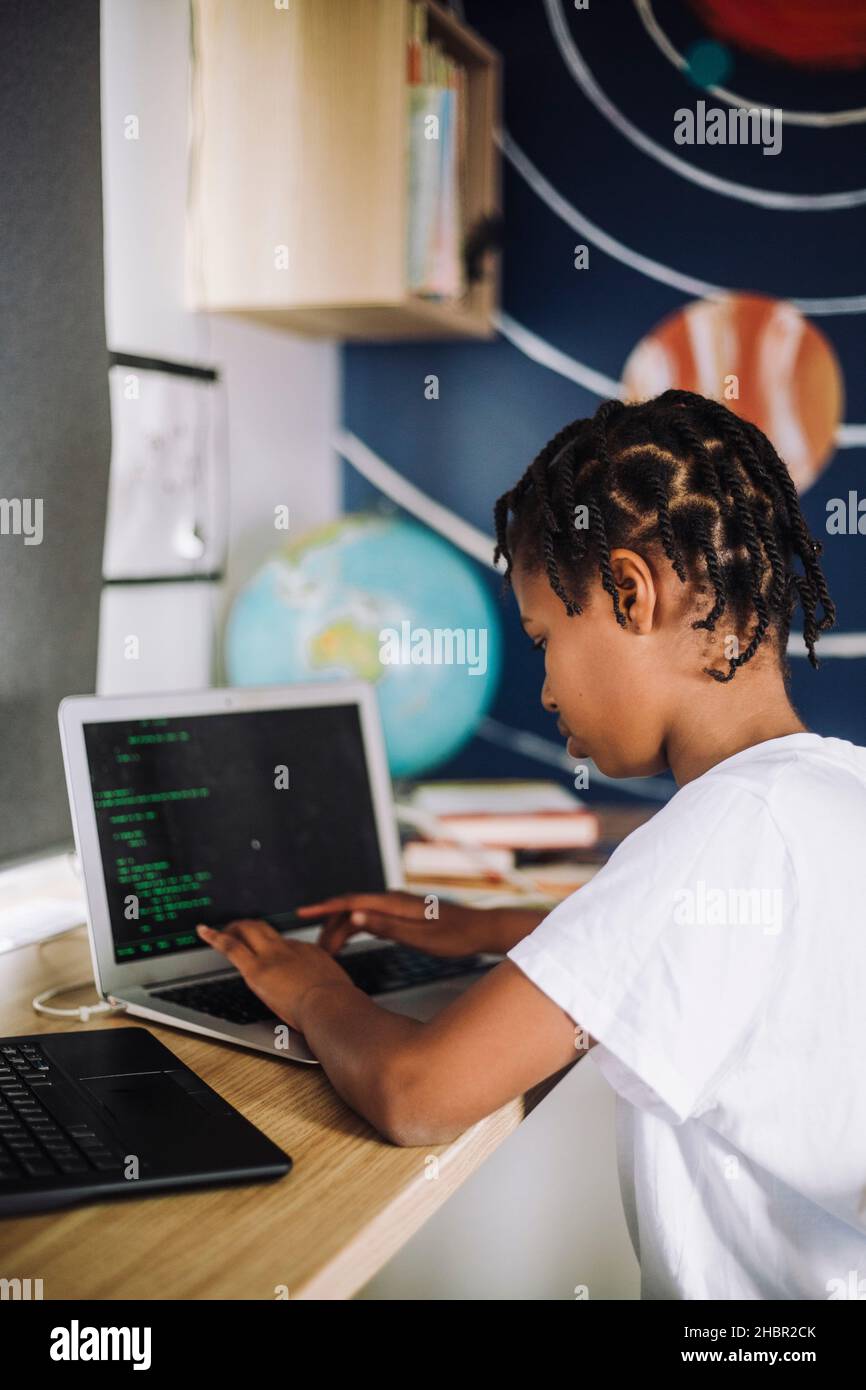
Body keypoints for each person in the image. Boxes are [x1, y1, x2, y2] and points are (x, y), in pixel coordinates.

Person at [197, 389, 866, 1300]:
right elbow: (728, 956)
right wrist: (502, 928)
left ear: (632, 594)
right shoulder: (829, 785)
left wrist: (313, 990)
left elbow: (418, 1094)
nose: (546, 691)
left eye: (546, 637)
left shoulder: (725, 829)